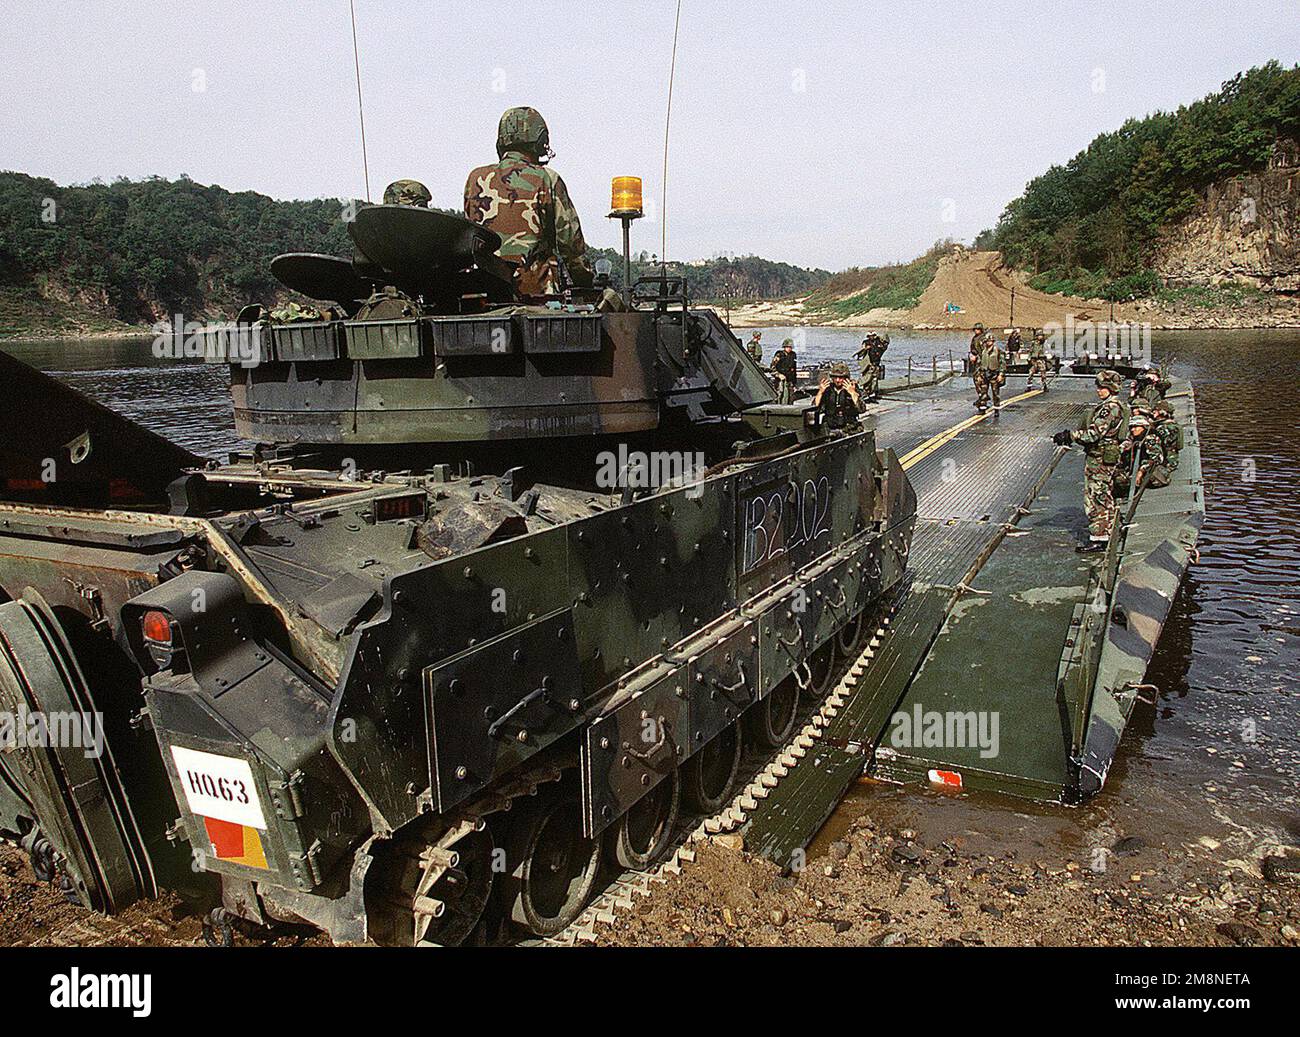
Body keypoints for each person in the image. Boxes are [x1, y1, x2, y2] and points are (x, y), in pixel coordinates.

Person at [464, 106, 593, 297]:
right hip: (537, 297)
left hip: (486, 293)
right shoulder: (547, 178)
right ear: (540, 141)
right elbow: (570, 245)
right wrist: (586, 283)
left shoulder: (476, 178)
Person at [1052, 370, 1129, 553]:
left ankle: (1099, 538)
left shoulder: (1109, 408)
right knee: (1106, 495)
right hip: (1106, 455)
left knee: (1096, 497)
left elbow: (1094, 434)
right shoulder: (1118, 405)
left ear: (1111, 388)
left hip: (1100, 458)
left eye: (1102, 387)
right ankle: (1109, 532)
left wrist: (1070, 435)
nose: (1098, 390)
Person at [813, 361, 861, 429]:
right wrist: (820, 392)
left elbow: (861, 409)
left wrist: (852, 393)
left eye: (840, 378)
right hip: (830, 427)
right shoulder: (827, 389)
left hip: (849, 427)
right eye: (835, 378)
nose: (837, 380)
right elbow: (814, 408)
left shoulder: (852, 388)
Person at [971, 332, 1006, 411]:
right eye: (987, 341)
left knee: (995, 393)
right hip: (984, 374)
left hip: (994, 374)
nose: (988, 343)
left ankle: (996, 409)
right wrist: (979, 375)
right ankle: (982, 408)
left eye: (989, 341)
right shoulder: (983, 351)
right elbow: (980, 364)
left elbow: (1002, 363)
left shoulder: (998, 351)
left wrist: (1001, 374)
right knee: (983, 392)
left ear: (993, 341)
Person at [855, 333, 889, 400]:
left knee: (874, 380)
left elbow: (884, 345)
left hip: (876, 364)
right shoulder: (866, 342)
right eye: (870, 336)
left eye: (873, 335)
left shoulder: (879, 342)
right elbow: (860, 354)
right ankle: (866, 393)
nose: (872, 337)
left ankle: (872, 394)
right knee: (866, 380)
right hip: (867, 365)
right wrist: (865, 349)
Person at [770, 338, 798, 405]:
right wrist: (778, 375)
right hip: (781, 380)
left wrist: (794, 382)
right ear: (784, 347)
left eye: (790, 347)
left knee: (791, 397)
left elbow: (794, 369)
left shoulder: (793, 355)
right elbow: (772, 368)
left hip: (790, 380)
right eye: (788, 347)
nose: (789, 349)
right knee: (780, 396)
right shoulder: (779, 355)